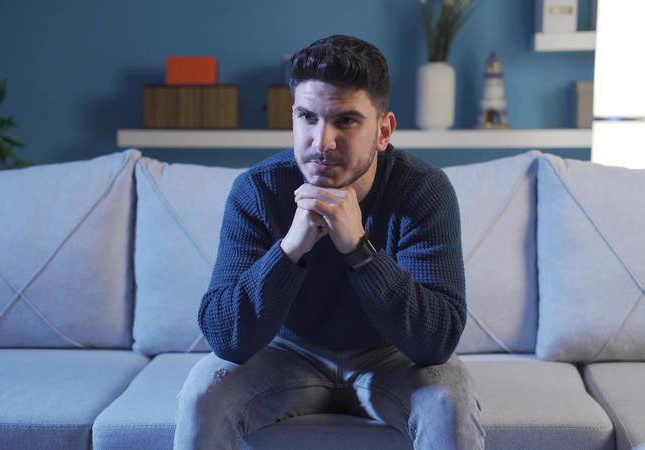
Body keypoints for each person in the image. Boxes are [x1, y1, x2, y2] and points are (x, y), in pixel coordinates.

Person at [174, 34, 485, 450]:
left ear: (383, 130)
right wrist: (290, 249)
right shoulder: (258, 191)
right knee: (202, 394)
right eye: (307, 117)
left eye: (346, 121)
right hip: (285, 354)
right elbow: (226, 338)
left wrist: (359, 248)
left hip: (392, 358)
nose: (321, 142)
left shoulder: (423, 190)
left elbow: (437, 341)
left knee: (448, 401)